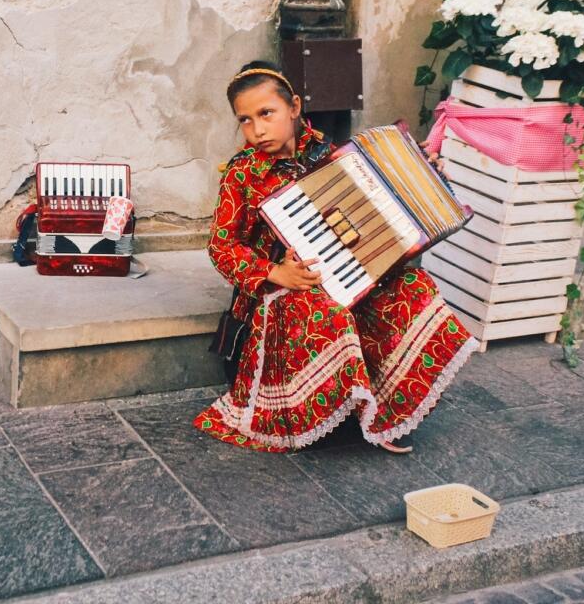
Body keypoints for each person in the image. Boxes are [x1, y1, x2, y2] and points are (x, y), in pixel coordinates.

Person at [194, 61, 477, 453]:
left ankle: (386, 410)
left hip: (348, 274)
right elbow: (221, 246)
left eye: (266, 114)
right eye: (245, 119)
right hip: (277, 293)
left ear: (294, 107)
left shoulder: (333, 154)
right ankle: (322, 410)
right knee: (326, 306)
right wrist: (276, 272)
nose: (256, 129)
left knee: (414, 286)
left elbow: (376, 223)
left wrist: (424, 176)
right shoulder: (242, 174)